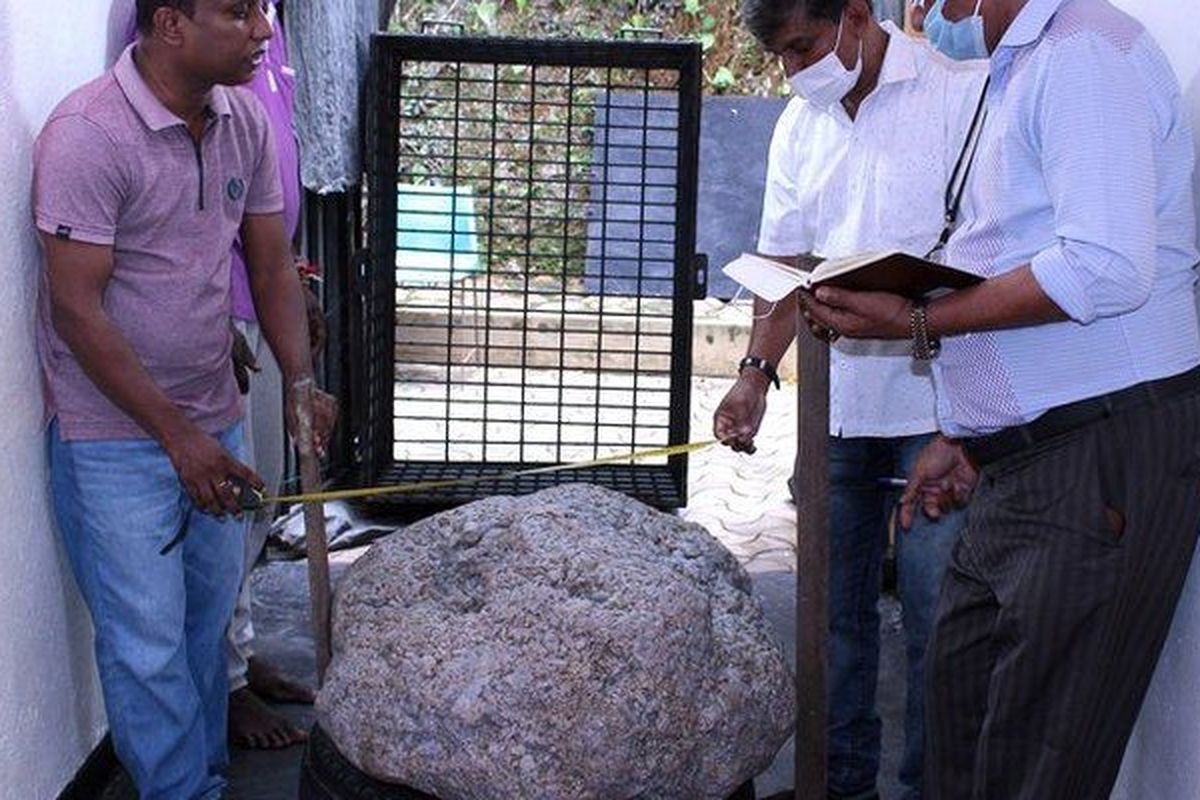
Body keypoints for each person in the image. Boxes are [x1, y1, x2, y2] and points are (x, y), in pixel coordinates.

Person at [802, 0, 1200, 797]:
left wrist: (917, 320)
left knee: (1036, 766)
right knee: (963, 727)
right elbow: (1016, 245)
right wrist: (967, 433)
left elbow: (1105, 268)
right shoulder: (1023, 62)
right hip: (1028, 458)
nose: (922, 10)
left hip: (1096, 453)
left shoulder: (1084, 53)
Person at [33, 1, 336, 797]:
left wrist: (300, 384)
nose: (263, 31)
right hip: (112, 439)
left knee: (204, 632)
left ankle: (203, 778)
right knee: (147, 645)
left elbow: (269, 268)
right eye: (238, 13)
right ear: (170, 24)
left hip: (212, 419)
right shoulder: (87, 134)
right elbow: (76, 310)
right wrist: (177, 438)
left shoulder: (242, 122)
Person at [717, 1, 985, 797]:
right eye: (782, 59)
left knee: (937, 619)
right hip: (835, 413)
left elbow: (991, 257)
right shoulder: (800, 125)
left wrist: (967, 423)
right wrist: (754, 375)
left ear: (857, 16)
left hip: (937, 414)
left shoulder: (957, 96)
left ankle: (929, 789)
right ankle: (841, 786)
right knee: (832, 617)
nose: (796, 72)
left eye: (805, 47)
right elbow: (784, 264)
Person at [119, 0, 325, 751]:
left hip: (259, 285)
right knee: (230, 501)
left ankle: (235, 656)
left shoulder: (262, 23)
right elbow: (165, 169)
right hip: (217, 304)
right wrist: (209, 313)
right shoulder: (177, 24)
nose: (258, 29)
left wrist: (293, 282)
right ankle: (227, 682)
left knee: (258, 493)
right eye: (242, 15)